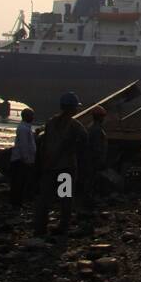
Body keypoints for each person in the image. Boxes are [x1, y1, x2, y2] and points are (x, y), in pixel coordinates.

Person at [34, 92, 86, 237]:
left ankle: (40, 228)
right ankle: (63, 227)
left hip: (49, 167)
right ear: (72, 108)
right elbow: (84, 142)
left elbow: (42, 142)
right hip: (66, 169)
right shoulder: (76, 126)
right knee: (65, 199)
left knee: (44, 198)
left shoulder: (50, 122)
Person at [79, 105, 109, 211]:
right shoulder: (96, 130)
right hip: (93, 161)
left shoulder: (92, 127)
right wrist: (100, 160)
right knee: (91, 181)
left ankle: (88, 201)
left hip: (90, 160)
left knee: (90, 181)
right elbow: (97, 148)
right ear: (100, 117)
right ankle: (88, 202)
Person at [10, 108, 36, 209]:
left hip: (21, 160)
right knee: (19, 183)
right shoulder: (24, 129)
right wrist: (27, 160)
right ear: (27, 116)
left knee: (20, 183)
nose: (33, 118)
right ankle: (16, 203)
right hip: (20, 161)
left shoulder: (25, 128)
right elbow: (24, 146)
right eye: (31, 115)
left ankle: (17, 202)